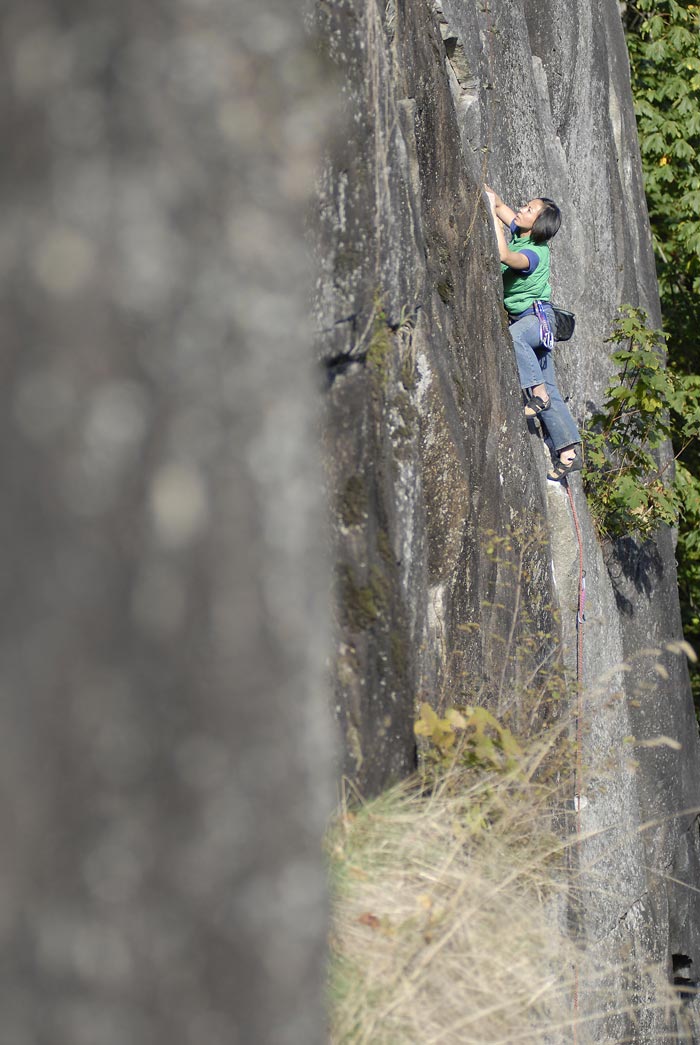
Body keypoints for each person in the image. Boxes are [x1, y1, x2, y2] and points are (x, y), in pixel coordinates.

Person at [485, 185, 582, 481]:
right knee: (550, 388)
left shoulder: (533, 254)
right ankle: (569, 450)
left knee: (515, 338)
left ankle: (536, 392)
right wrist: (488, 194)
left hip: (538, 321)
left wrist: (490, 213)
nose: (522, 210)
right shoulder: (520, 233)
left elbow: (503, 255)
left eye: (529, 210)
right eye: (526, 207)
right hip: (536, 323)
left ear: (537, 225)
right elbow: (501, 205)